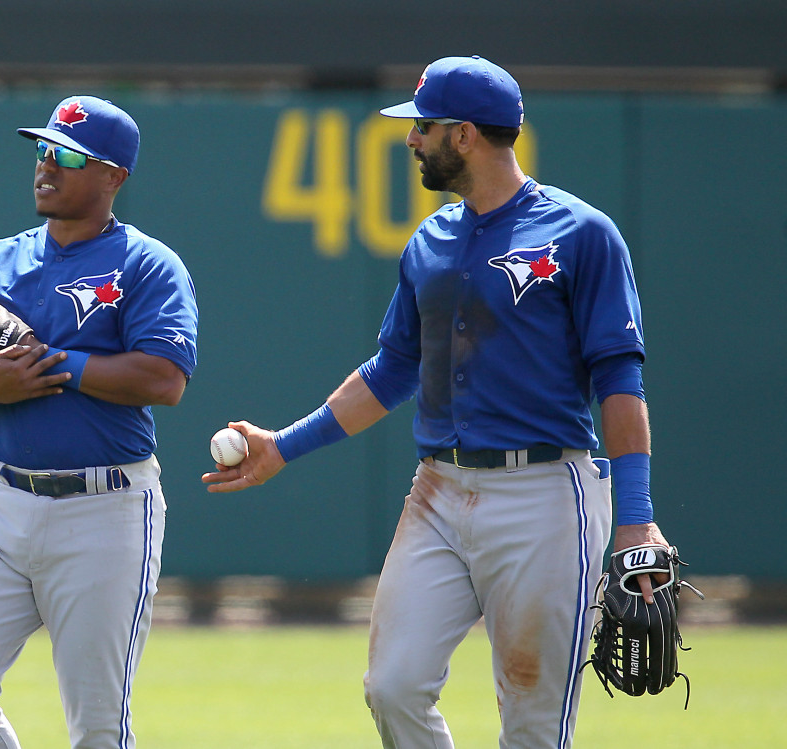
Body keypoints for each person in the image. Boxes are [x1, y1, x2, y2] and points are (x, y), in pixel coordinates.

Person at [203, 56, 671, 748]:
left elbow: (620, 386)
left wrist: (635, 520)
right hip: (440, 490)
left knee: (534, 723)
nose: (409, 138)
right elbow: (394, 370)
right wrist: (284, 445)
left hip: (544, 493)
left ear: (464, 135)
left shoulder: (582, 233)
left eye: (422, 125)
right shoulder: (430, 239)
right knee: (391, 686)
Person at [0, 95, 198, 749]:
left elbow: (166, 379)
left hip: (105, 509)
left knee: (98, 728)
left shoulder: (147, 265)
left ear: (114, 177)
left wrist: (54, 364)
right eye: (43, 149)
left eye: (69, 155)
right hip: (5, 503)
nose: (47, 164)